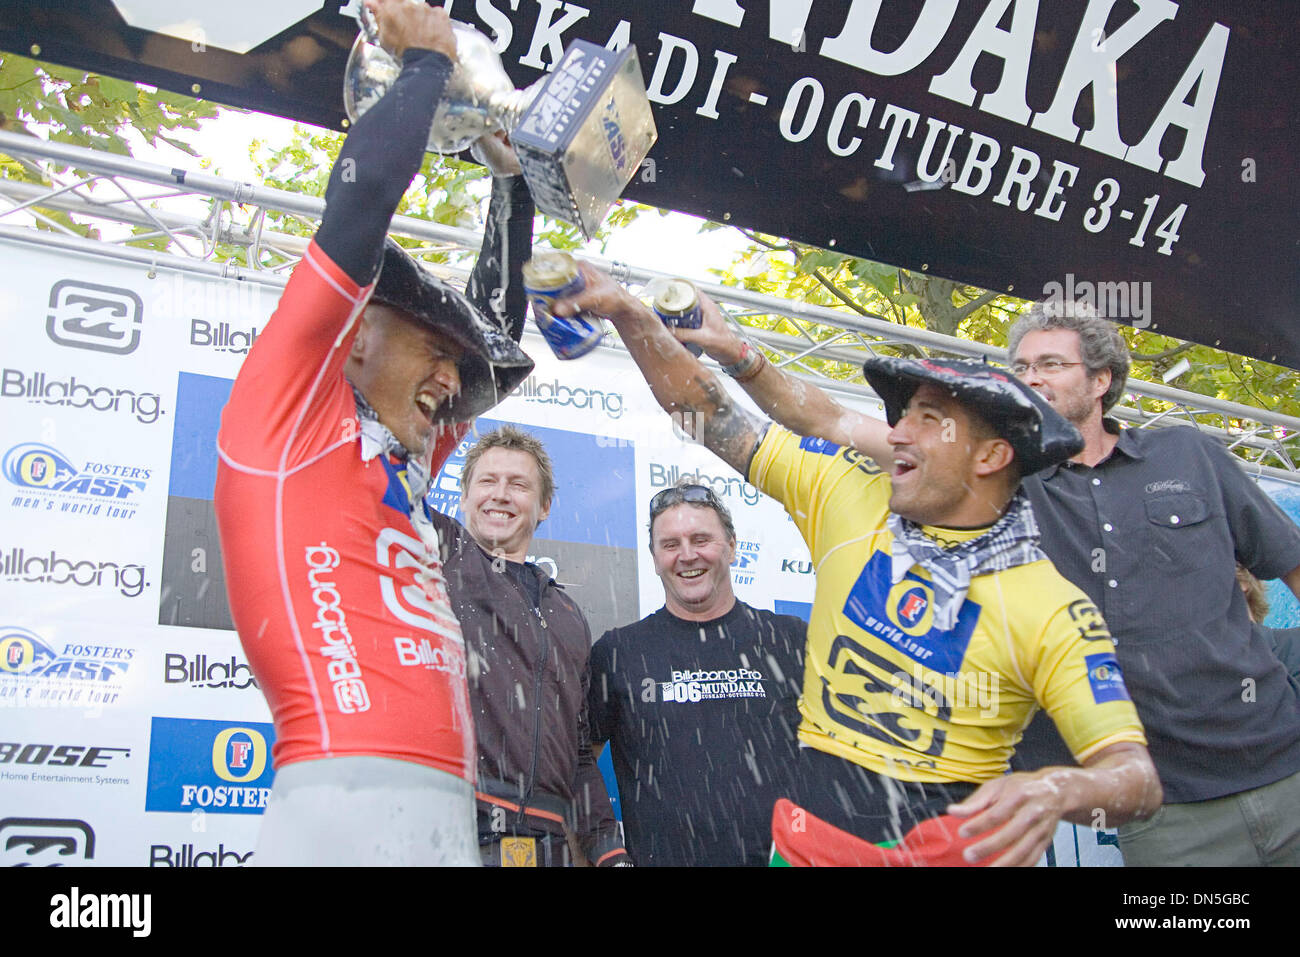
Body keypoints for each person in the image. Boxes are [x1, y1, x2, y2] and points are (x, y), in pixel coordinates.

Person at [552, 269, 1160, 866]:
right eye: (904, 415)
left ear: (992, 455)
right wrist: (630, 315)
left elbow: (1135, 778)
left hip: (950, 852)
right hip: (808, 845)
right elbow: (705, 412)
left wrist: (1060, 788)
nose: (898, 434)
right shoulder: (847, 495)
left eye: (928, 420)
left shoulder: (1051, 605)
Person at [684, 291, 1300, 866]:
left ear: (1102, 379)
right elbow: (822, 419)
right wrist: (736, 351)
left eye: (1052, 363)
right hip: (1168, 807)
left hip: (1280, 756)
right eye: (1022, 365)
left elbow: (1290, 562)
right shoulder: (996, 486)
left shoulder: (1189, 454)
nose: (1033, 376)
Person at [213, 0, 534, 865]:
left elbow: (496, 332)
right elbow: (358, 211)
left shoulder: (402, 451)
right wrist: (429, 65)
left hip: (440, 810)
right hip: (342, 802)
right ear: (357, 332)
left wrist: (512, 185)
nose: (450, 381)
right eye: (434, 350)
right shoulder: (290, 414)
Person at [430, 425, 629, 867]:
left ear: (544, 507)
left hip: (547, 847)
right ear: (462, 498)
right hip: (447, 831)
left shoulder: (568, 613)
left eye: (518, 485)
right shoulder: (436, 560)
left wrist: (608, 852)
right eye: (487, 481)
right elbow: (386, 478)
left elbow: (578, 756)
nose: (500, 494)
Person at [587, 483, 806, 866]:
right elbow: (576, 765)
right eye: (670, 544)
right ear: (655, 558)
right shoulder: (618, 652)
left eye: (701, 539)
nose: (687, 556)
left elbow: (847, 758)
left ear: (733, 547)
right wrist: (607, 852)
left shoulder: (790, 640)